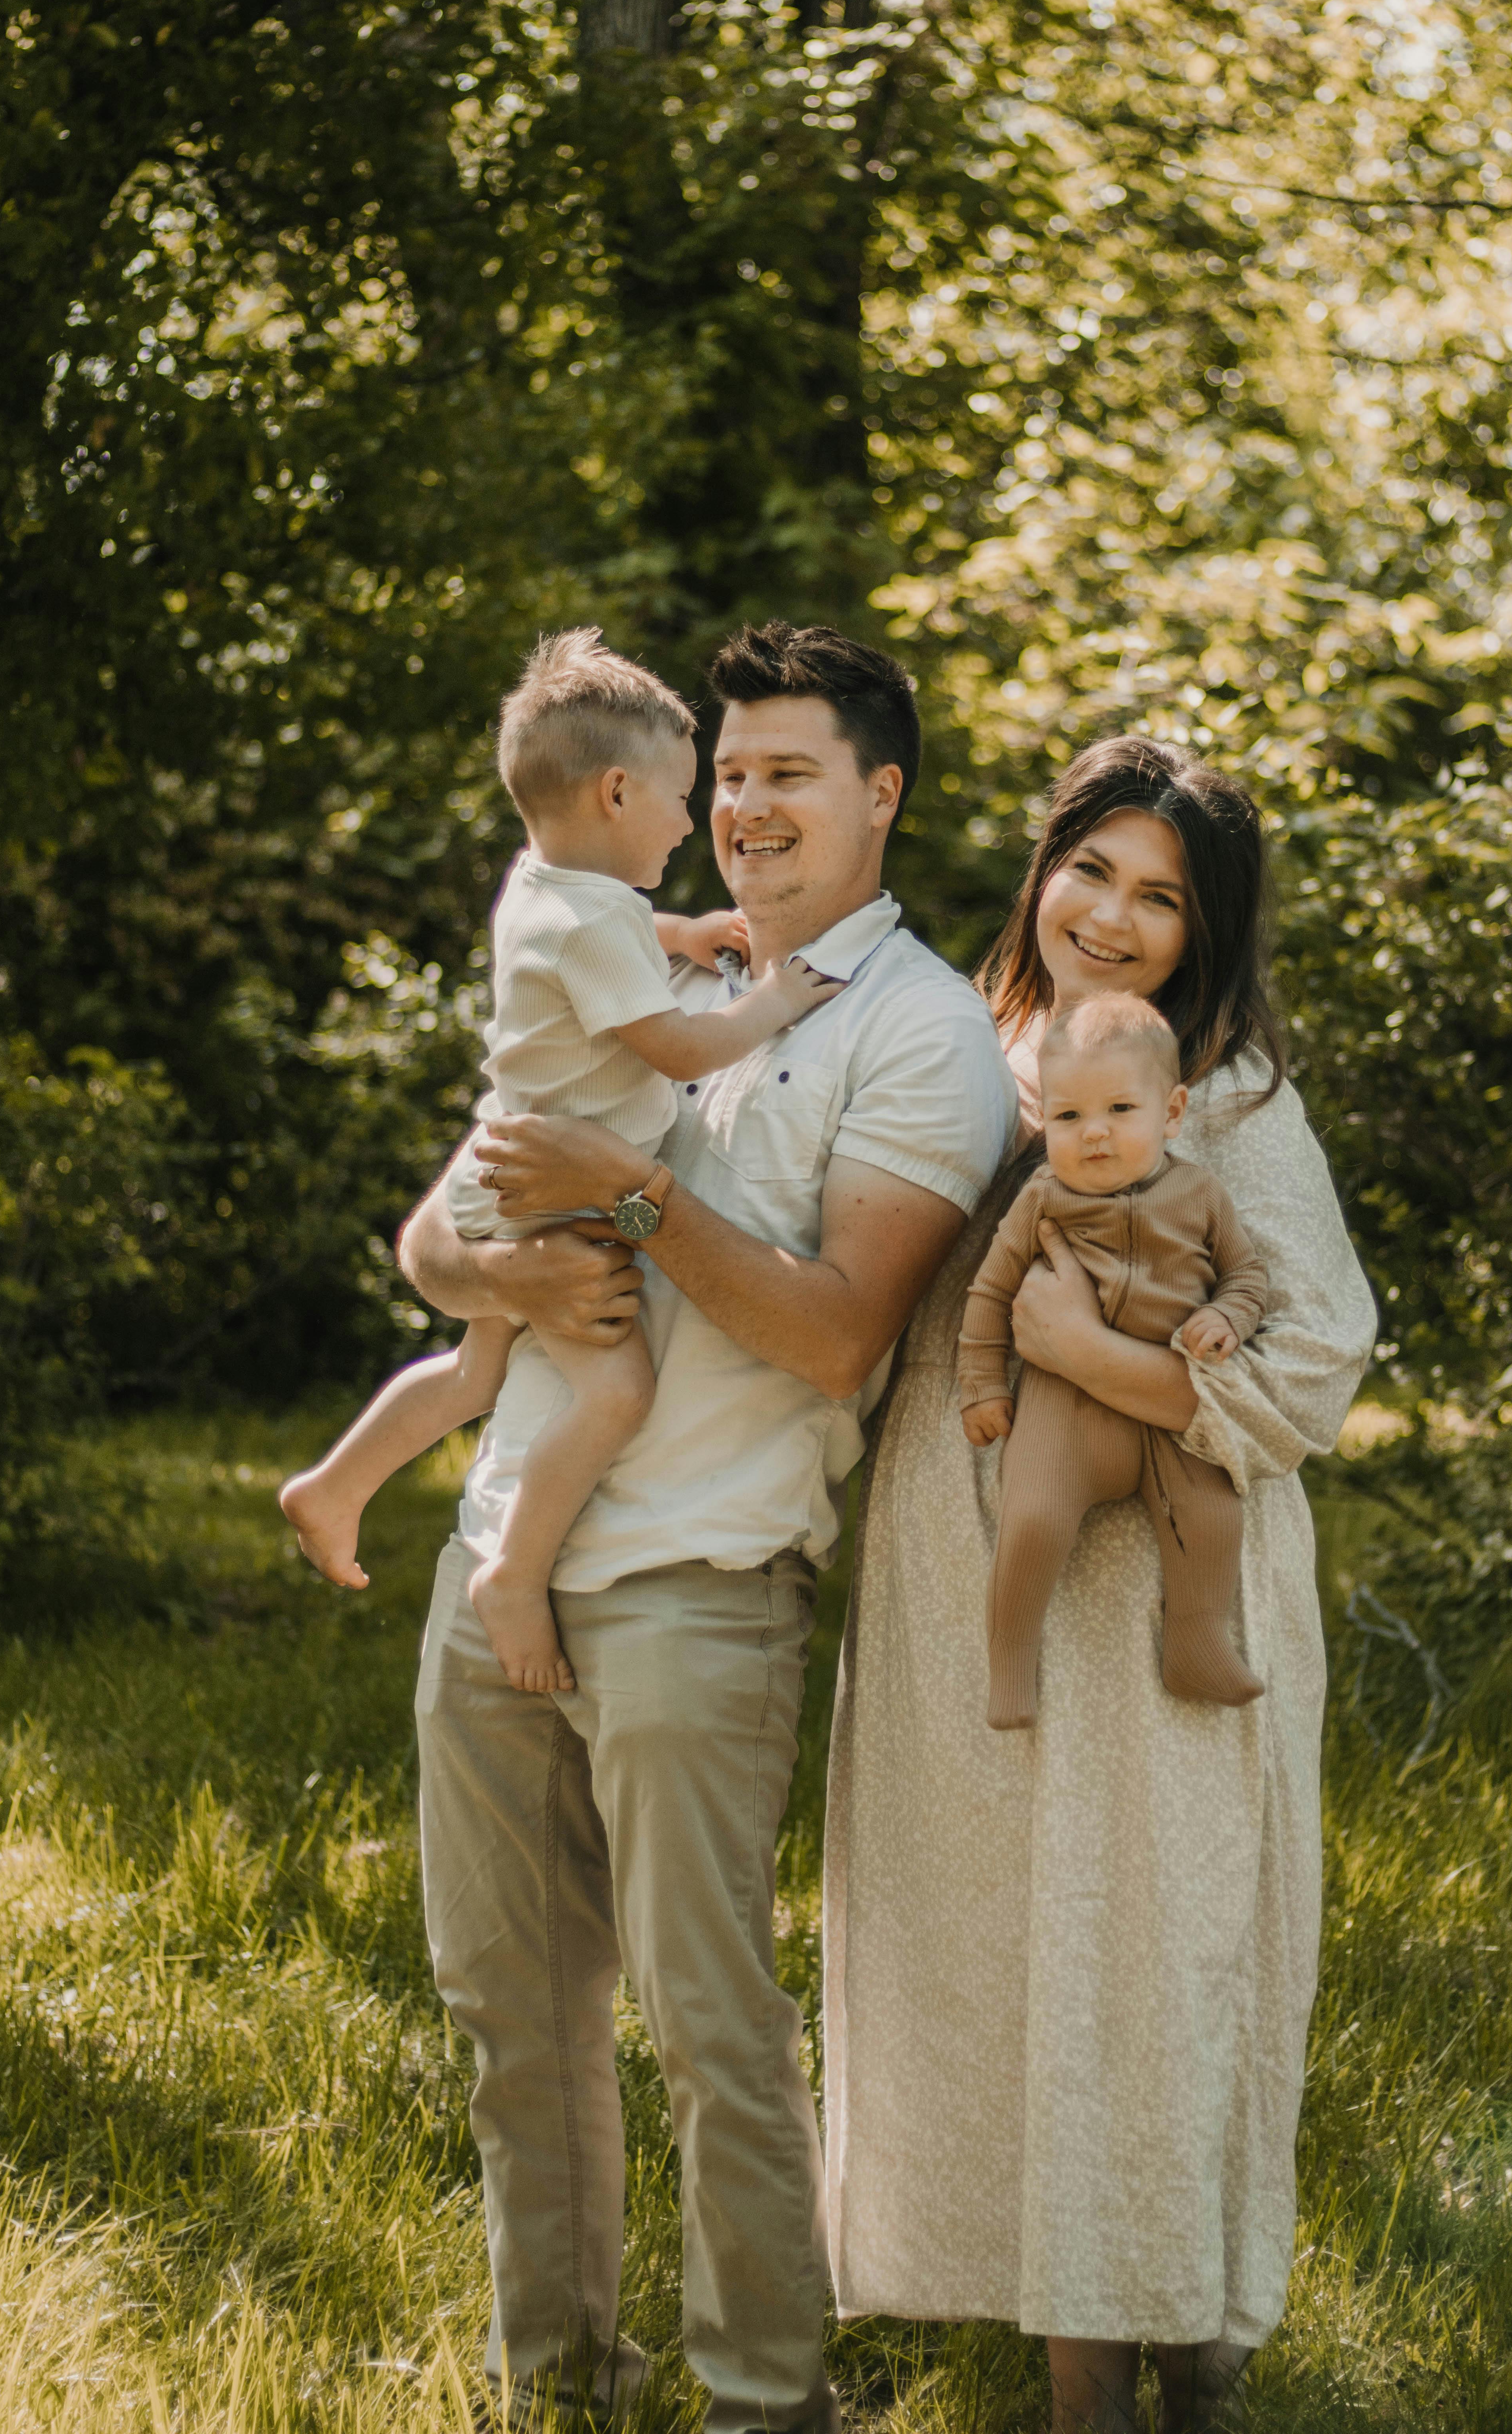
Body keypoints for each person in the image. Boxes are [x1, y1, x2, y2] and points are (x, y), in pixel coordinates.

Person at [395, 623, 1017, 2429]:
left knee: (710, 2028)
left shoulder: (921, 1035)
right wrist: (508, 1266)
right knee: (511, 2019)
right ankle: (557, 2388)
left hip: (698, 1584)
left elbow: (837, 1335)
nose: (744, 805)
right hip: (503, 1562)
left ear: (879, 795)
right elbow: (434, 1239)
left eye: (786, 773)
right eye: (727, 772)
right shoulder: (617, 946)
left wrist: (630, 1199)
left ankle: (761, 2401)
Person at [824, 738, 1377, 2434]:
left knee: (1150, 1957)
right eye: (1093, 871)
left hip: (1157, 1602)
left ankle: (1170, 2357)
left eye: (1163, 898)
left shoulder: (1224, 1099)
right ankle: (1075, 2354)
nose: (1116, 919)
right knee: (998, 1954)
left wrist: (1094, 1359)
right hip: (968, 1568)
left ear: (1208, 935)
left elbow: (1314, 1360)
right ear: (1041, 867)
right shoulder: (960, 1056)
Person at [280, 630, 836, 1691]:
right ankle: (516, 1573)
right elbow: (679, 1049)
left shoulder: (542, 886)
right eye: (682, 797)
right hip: (551, 1194)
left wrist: (678, 935)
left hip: (507, 1170)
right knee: (617, 1394)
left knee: (477, 1372)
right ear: (617, 794)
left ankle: (336, 1485)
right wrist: (772, 1001)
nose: (692, 820)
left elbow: (606, 925)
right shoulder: (590, 924)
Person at [959, 989, 1268, 1727]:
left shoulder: (1201, 1194)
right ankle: (1011, 1660)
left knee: (1213, 1515)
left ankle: (1196, 1643)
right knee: (1033, 1519)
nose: (1093, 1133)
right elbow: (990, 1291)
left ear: (1172, 1112)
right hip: (1064, 1406)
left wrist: (1227, 1316)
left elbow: (1249, 1276)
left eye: (1120, 1110)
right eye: (1068, 1117)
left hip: (1165, 1404)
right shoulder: (1042, 1199)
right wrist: (980, 1383)